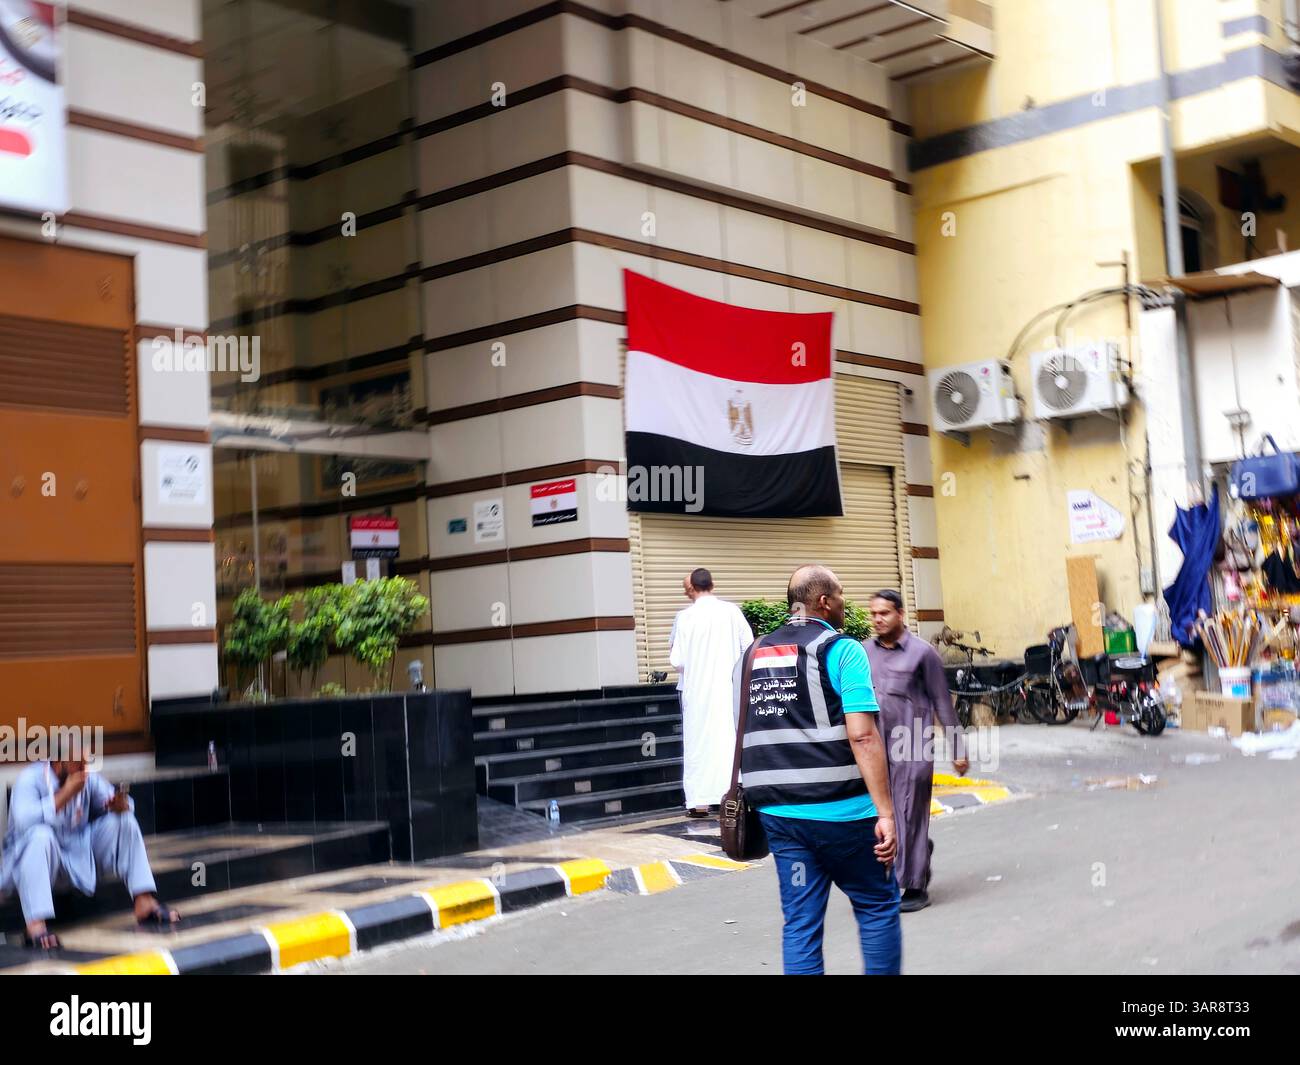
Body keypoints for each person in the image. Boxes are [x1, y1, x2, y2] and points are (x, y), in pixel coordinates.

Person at [736, 564, 900, 975]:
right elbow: (863, 736)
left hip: (779, 814)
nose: (845, 603)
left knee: (801, 924)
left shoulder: (753, 653)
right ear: (824, 602)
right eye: (841, 594)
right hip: (845, 814)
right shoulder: (843, 650)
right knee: (877, 905)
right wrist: (885, 812)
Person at [0, 754, 180, 950]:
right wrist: (66, 793)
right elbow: (24, 822)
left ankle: (144, 902)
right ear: (59, 763)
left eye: (86, 762)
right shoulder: (29, 779)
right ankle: (35, 926)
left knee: (124, 822)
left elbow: (124, 803)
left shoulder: (88, 778)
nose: (84, 768)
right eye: (78, 763)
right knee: (40, 836)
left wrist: (121, 806)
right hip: (33, 862)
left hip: (79, 855)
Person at [864, 590, 967, 913]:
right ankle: (918, 851)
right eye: (874, 614)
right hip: (876, 748)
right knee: (884, 815)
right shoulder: (863, 652)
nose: (878, 619)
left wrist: (957, 747)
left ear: (901, 614)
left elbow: (942, 702)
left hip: (913, 747)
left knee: (908, 813)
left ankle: (915, 886)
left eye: (885, 613)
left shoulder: (923, 654)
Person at [669, 567, 754, 817]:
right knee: (729, 741)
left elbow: (678, 661)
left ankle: (698, 802)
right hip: (729, 690)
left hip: (697, 693)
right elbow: (748, 648)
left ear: (692, 588)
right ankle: (730, 795)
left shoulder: (685, 618)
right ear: (713, 585)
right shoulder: (732, 612)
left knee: (698, 744)